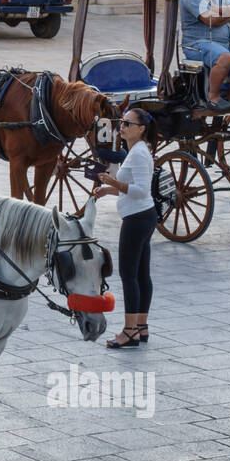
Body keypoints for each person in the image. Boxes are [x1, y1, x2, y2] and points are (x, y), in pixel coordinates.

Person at [92, 108, 157, 348]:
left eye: (128, 124)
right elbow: (131, 186)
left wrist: (112, 181)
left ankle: (129, 331)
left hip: (137, 219)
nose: (123, 126)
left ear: (141, 129)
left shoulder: (139, 153)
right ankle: (141, 327)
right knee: (140, 274)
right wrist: (109, 189)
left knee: (129, 275)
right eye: (122, 122)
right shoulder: (137, 150)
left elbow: (141, 190)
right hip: (143, 216)